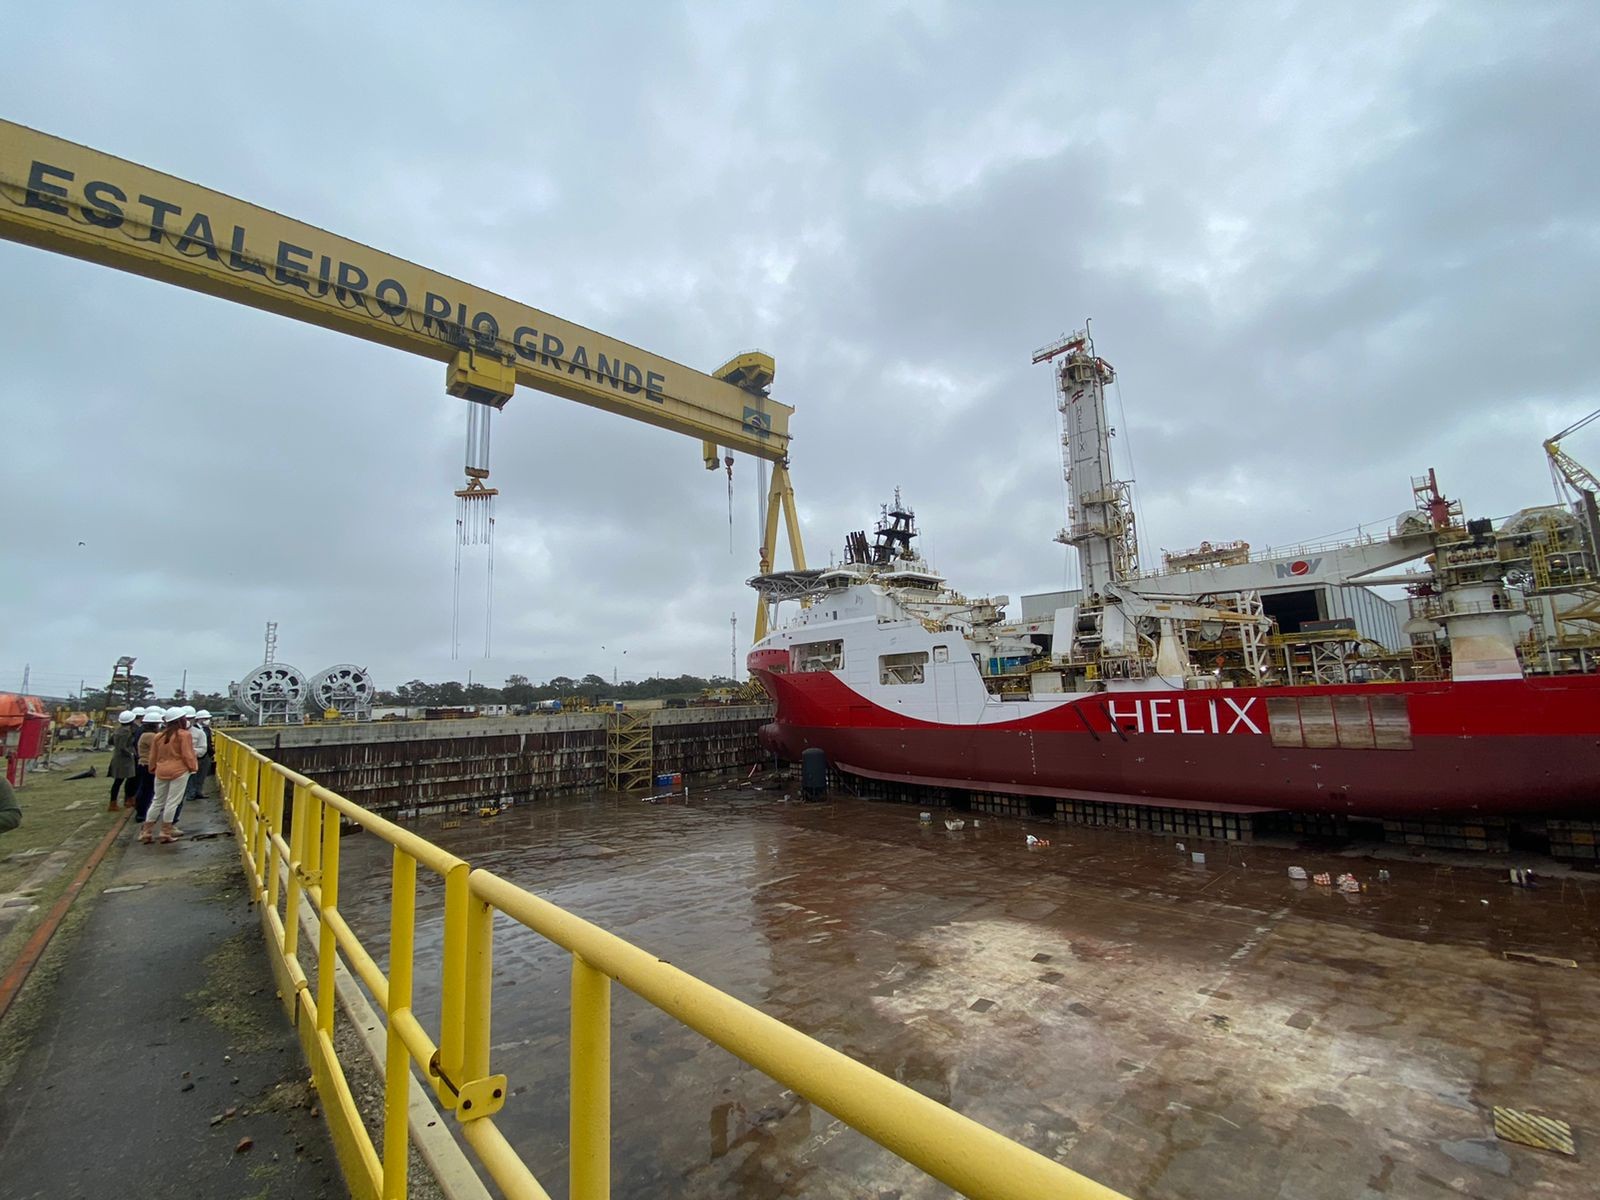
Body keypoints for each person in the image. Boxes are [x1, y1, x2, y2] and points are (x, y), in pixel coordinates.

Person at [142, 709, 197, 844]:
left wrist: (152, 768)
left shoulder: (158, 736)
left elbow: (153, 755)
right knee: (172, 802)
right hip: (179, 770)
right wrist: (193, 768)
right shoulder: (184, 735)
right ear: (181, 720)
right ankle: (165, 831)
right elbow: (187, 754)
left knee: (157, 801)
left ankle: (146, 831)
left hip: (161, 770)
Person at [133, 708, 164, 824]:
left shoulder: (143, 733)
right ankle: (142, 813)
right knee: (147, 790)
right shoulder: (150, 736)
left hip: (144, 764)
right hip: (147, 765)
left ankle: (142, 811)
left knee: (145, 789)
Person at [108, 711, 139, 811]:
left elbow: (111, 741)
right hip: (125, 760)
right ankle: (124, 801)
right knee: (127, 780)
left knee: (119, 782)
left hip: (117, 758)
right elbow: (123, 747)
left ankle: (115, 802)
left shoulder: (118, 730)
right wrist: (132, 753)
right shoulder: (126, 732)